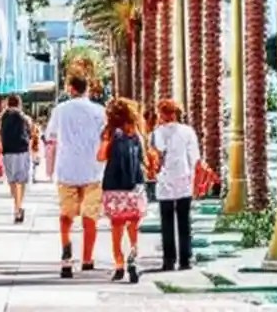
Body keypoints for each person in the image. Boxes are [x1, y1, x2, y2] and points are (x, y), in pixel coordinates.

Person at [45, 73, 106, 278]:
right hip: (93, 171)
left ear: (71, 89)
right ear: (87, 89)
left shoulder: (60, 111)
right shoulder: (100, 112)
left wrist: (49, 169)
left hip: (67, 170)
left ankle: (66, 251)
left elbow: (50, 139)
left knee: (66, 215)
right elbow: (106, 138)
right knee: (90, 217)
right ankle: (87, 259)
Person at [98, 98, 148, 283]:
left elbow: (101, 156)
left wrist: (105, 143)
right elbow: (143, 160)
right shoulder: (136, 133)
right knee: (133, 226)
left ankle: (119, 264)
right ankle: (133, 255)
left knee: (117, 226)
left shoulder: (110, 133)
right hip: (135, 186)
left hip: (114, 187)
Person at [152, 98, 200, 271]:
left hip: (165, 179)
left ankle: (169, 259)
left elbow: (158, 151)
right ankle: (185, 259)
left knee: (167, 222)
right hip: (184, 179)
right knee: (184, 221)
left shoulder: (159, 132)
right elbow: (194, 157)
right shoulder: (188, 131)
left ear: (163, 114)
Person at [0, 94, 33, 223]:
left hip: (8, 152)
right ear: (19, 104)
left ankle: (17, 206)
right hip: (21, 151)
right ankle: (19, 207)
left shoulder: (3, 117)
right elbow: (30, 131)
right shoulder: (23, 117)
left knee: (12, 180)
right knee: (21, 180)